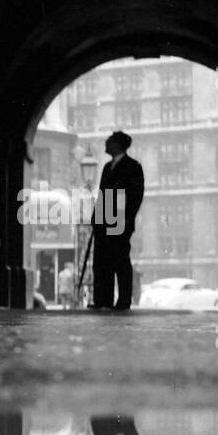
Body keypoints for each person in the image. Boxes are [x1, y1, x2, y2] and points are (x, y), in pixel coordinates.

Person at [91, 131, 145, 311]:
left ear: (117, 145)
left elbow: (136, 196)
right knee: (102, 261)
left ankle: (123, 301)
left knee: (120, 261)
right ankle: (102, 300)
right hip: (104, 219)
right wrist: (96, 217)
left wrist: (128, 218)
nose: (106, 143)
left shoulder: (133, 166)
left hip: (120, 219)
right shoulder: (107, 167)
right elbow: (102, 195)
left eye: (109, 141)